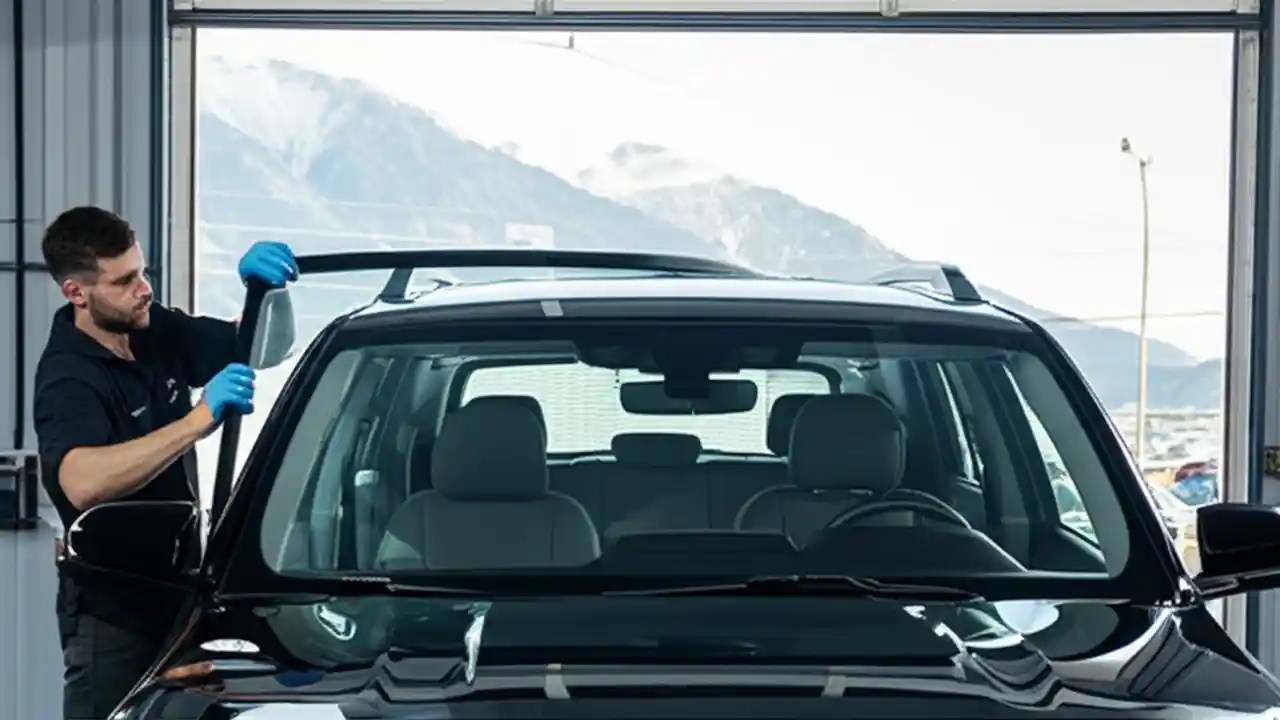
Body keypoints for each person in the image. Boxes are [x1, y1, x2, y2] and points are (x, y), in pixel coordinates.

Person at [30, 206, 298, 719]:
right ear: (76, 293)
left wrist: (271, 293)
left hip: (186, 601)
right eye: (125, 280)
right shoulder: (70, 378)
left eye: (143, 271)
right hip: (114, 616)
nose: (144, 288)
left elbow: (266, 348)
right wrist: (197, 420)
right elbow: (81, 482)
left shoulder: (153, 330)